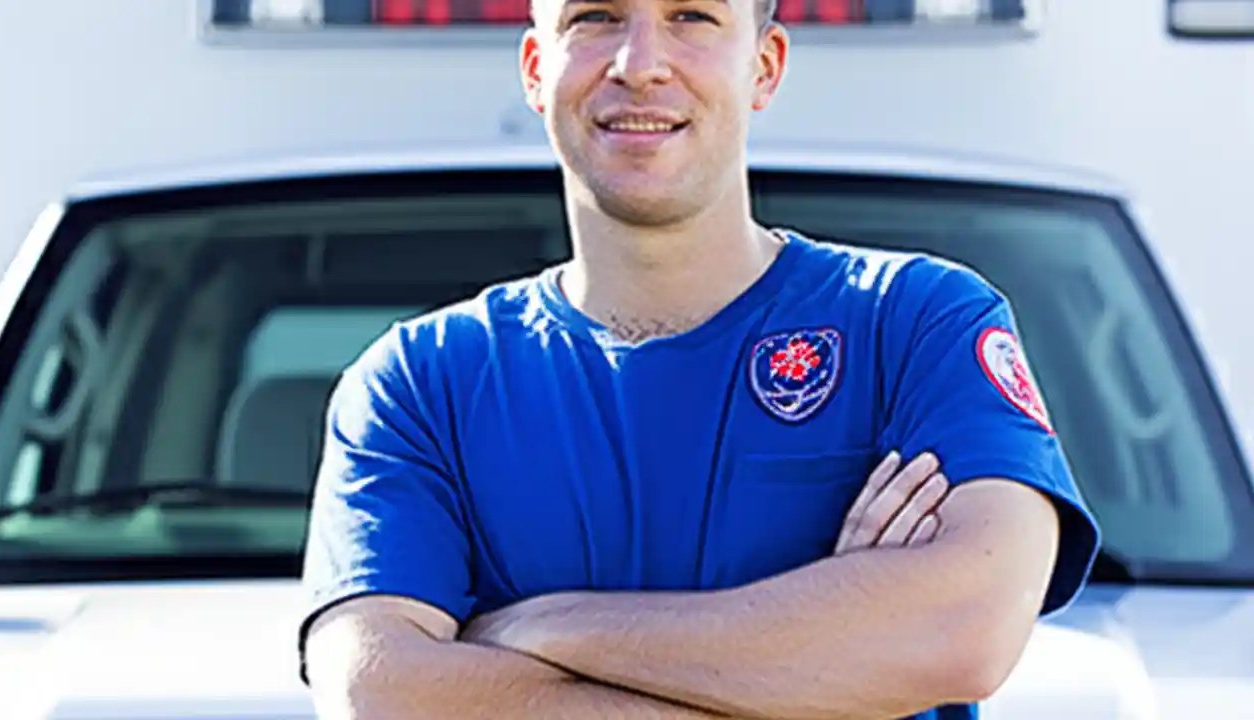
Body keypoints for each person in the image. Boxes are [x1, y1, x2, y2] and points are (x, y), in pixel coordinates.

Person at [297, 0, 1102, 716]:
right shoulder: (418, 385)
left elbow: (962, 630)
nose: (640, 63)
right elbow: (381, 694)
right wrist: (825, 666)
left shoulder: (917, 323)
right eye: (595, 17)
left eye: (692, 16)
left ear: (765, 65)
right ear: (537, 68)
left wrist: (541, 627)